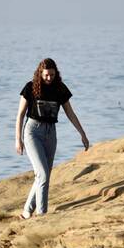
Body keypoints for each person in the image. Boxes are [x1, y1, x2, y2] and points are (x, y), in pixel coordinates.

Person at [15, 58, 89, 218]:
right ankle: (42, 215)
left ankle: (27, 211)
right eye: (46, 75)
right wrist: (18, 139)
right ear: (40, 73)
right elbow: (20, 115)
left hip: (51, 133)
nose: (49, 78)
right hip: (32, 131)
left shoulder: (60, 89)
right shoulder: (30, 87)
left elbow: (70, 113)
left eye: (52, 75)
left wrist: (82, 133)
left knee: (45, 174)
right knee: (42, 173)